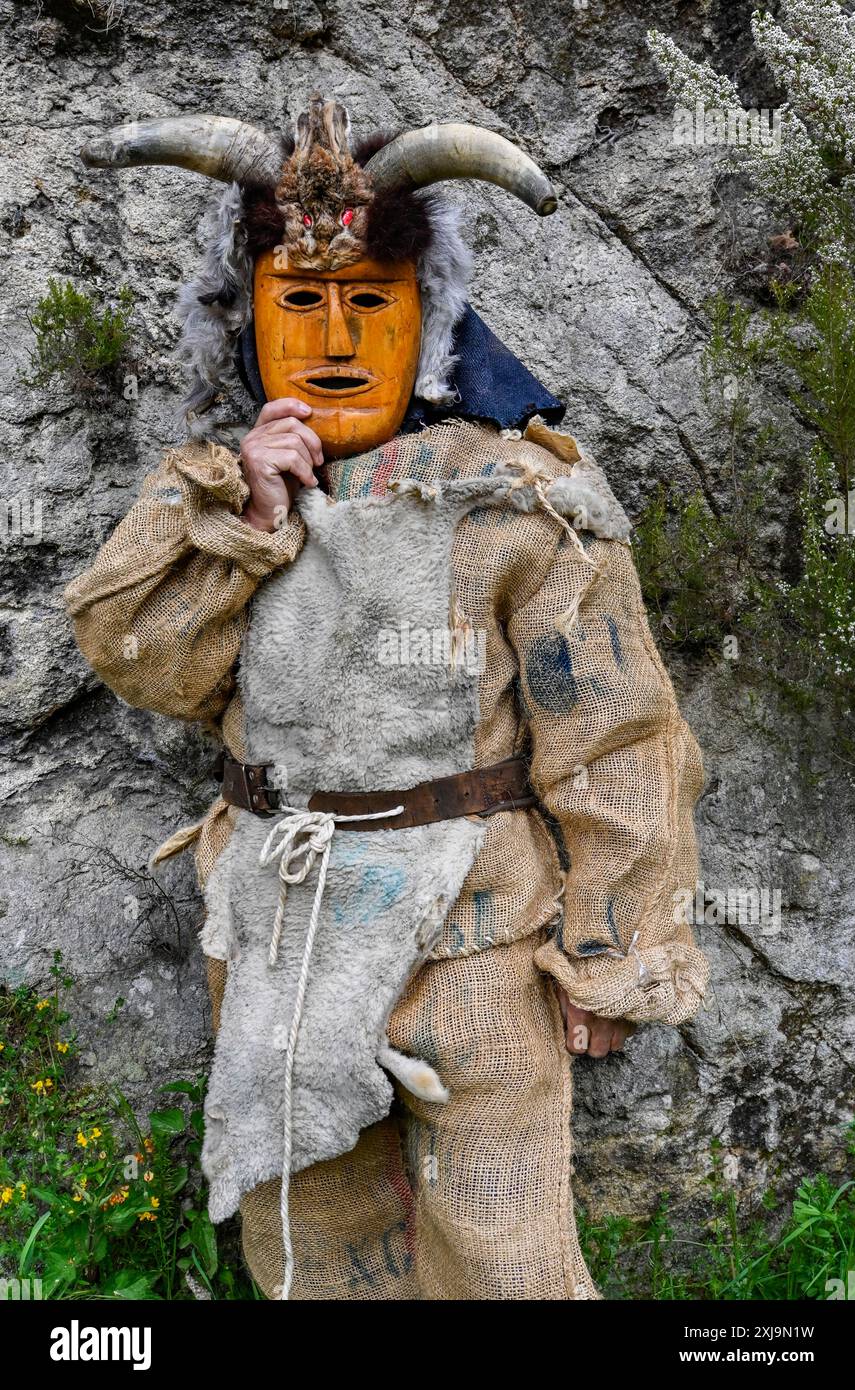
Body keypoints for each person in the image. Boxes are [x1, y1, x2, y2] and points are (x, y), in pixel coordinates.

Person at [65, 97, 709, 1301]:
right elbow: (140, 654)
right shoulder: (223, 495)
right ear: (248, 320)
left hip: (475, 936)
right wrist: (244, 519)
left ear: (429, 315)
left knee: (500, 1243)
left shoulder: (518, 498)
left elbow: (619, 731)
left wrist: (612, 953)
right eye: (301, 302)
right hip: (279, 932)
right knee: (307, 1230)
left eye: (371, 300)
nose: (338, 335)